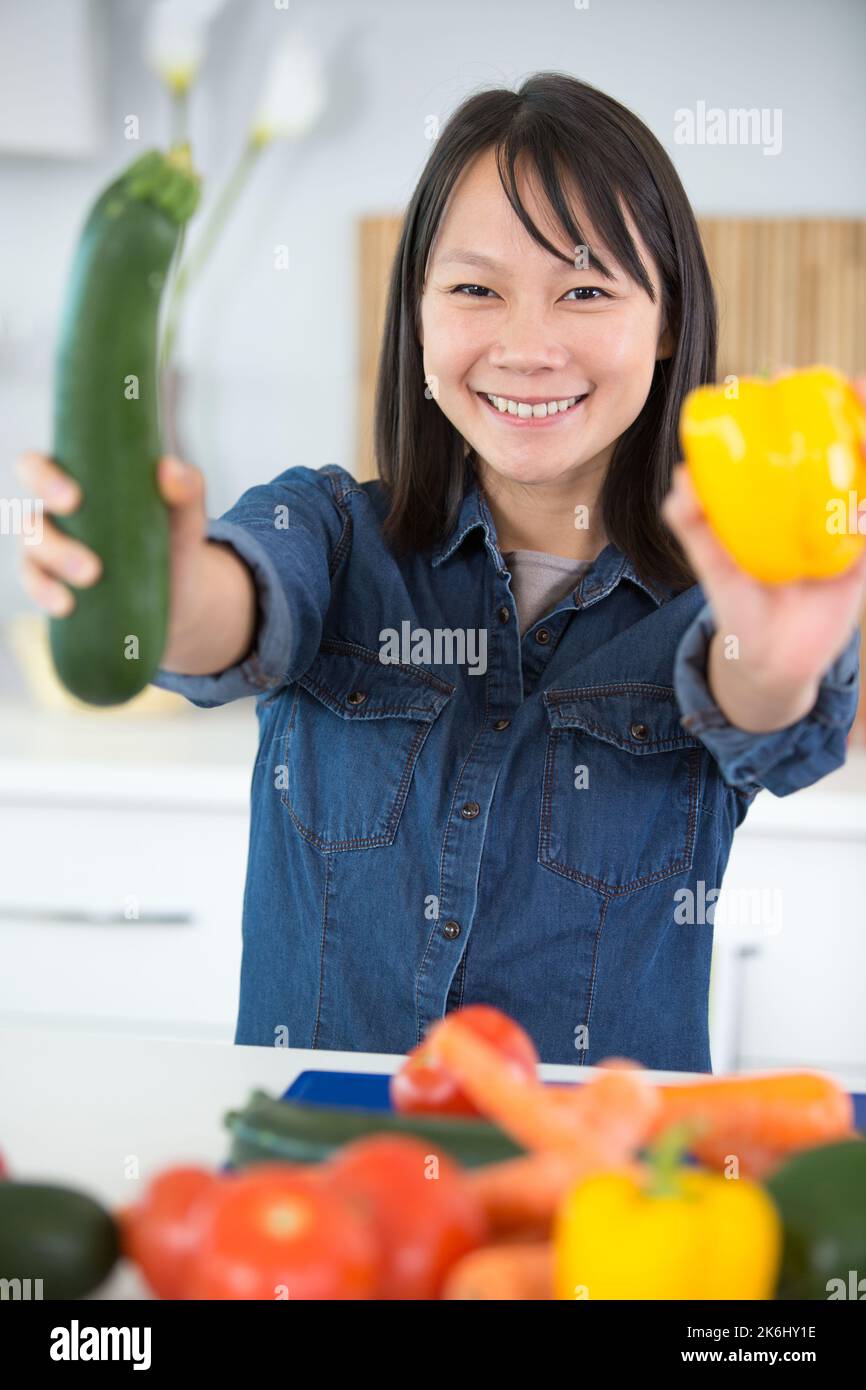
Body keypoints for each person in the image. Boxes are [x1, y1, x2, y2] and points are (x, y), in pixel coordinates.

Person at [18, 73, 866, 1071]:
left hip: (592, 1193)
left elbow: (760, 693)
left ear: (667, 319)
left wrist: (770, 657)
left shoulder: (720, 591)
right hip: (319, 1181)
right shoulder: (329, 528)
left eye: (585, 290)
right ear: (417, 315)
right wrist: (154, 586)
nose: (526, 345)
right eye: (474, 289)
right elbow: (222, 614)